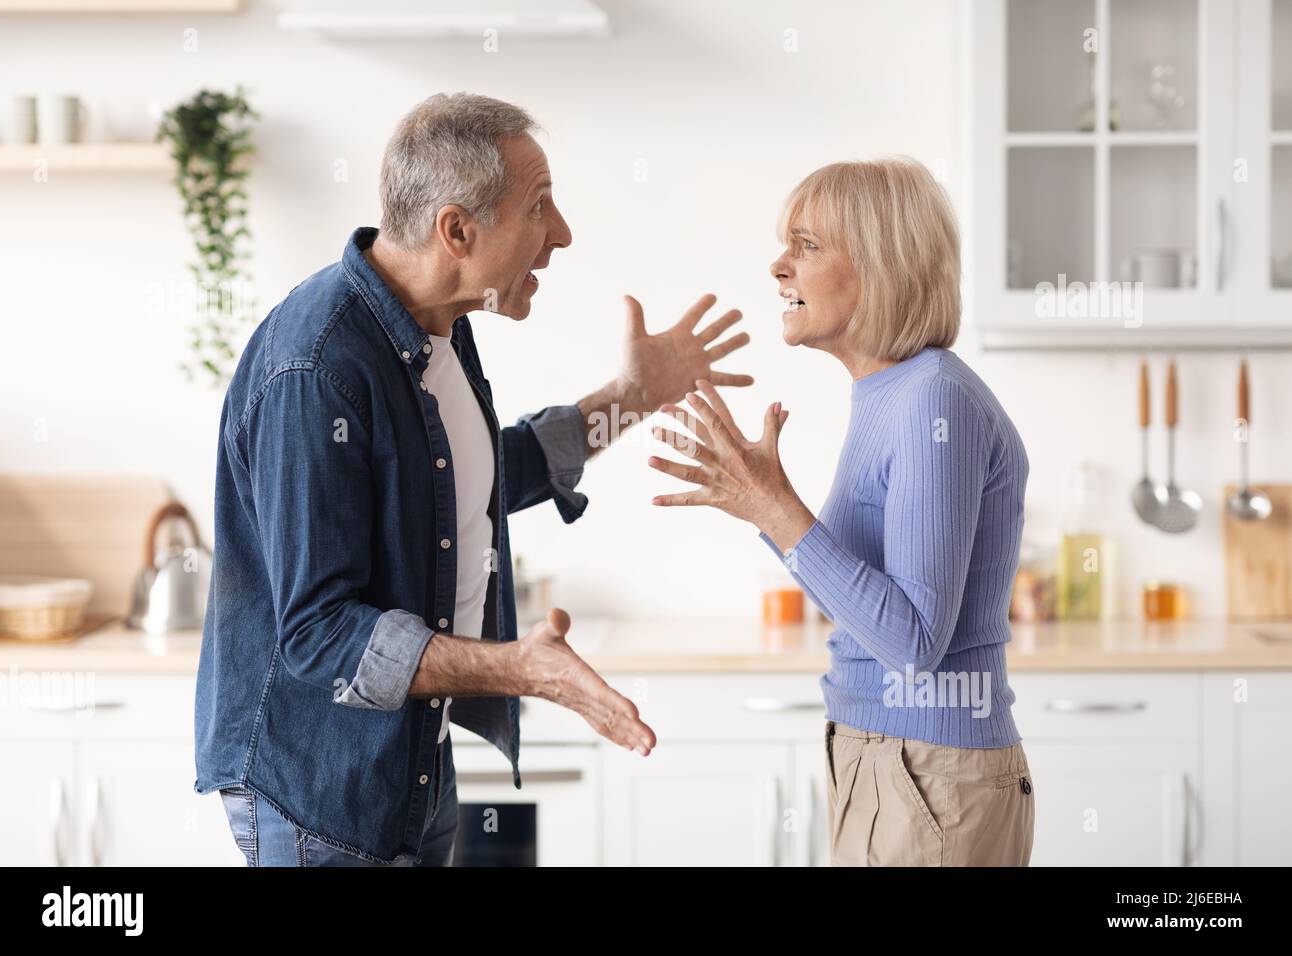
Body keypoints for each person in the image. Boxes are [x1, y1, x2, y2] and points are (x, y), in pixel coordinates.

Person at [194, 92, 753, 866]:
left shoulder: (437, 328)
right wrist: (516, 668)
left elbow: (481, 479)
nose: (561, 236)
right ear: (456, 230)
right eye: (540, 208)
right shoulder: (316, 366)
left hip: (411, 762)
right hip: (321, 789)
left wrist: (631, 400)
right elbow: (319, 634)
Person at [646, 157, 1035, 866]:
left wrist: (780, 510)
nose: (778, 266)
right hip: (895, 764)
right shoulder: (891, 393)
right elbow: (861, 602)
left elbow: (914, 641)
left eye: (806, 244)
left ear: (882, 264)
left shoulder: (933, 401)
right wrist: (762, 508)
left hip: (927, 771)